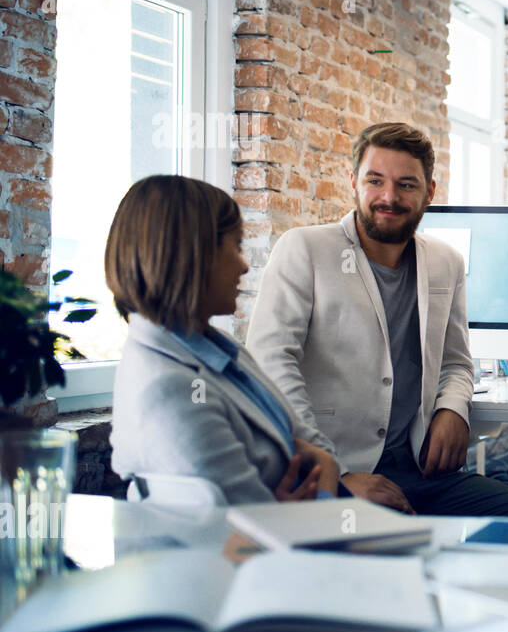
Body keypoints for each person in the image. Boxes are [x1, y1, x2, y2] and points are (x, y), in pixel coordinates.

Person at [246, 122, 508, 519]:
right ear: (353, 182)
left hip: (421, 472)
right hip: (334, 474)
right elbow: (270, 367)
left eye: (406, 184)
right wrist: (338, 476)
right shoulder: (305, 249)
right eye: (375, 181)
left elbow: (455, 362)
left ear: (429, 192)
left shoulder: (445, 262)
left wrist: (453, 408)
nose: (389, 197)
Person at [107, 176, 339, 504]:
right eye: (237, 245)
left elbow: (301, 436)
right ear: (193, 254)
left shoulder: (217, 347)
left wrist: (325, 469)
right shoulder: (169, 389)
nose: (244, 266)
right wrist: (327, 479)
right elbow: (246, 532)